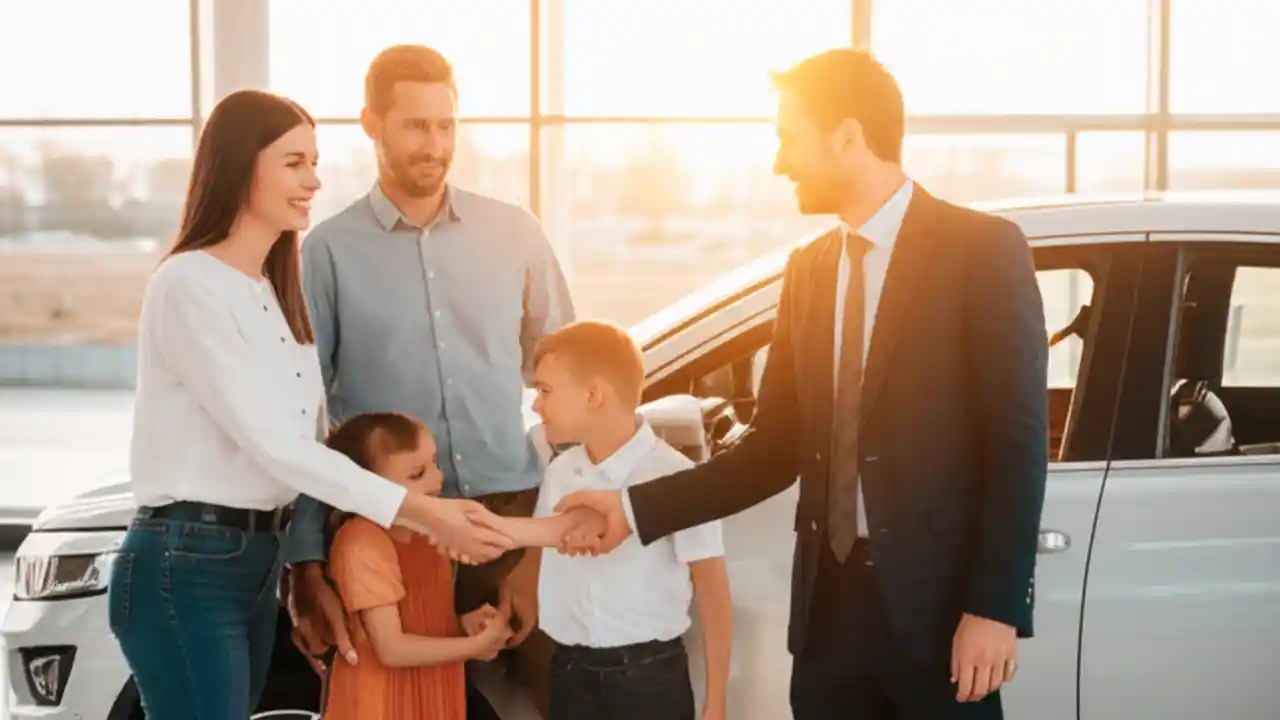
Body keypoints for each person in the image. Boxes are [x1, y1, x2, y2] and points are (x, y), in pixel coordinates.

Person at [557, 49, 1049, 719]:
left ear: (848, 136)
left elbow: (1016, 441)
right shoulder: (809, 270)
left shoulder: (982, 249)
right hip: (829, 619)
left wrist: (993, 608)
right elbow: (771, 448)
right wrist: (634, 510)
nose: (779, 162)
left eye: (790, 138)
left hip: (935, 615)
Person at [106, 89, 512, 720]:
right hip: (185, 564)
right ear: (243, 165)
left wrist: (305, 568)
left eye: (314, 162)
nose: (314, 180)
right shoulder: (187, 285)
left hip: (251, 561)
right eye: (294, 162)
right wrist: (425, 514)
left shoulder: (270, 289)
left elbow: (312, 441)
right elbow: (274, 444)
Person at [282, 44, 574, 713]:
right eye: (416, 126)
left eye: (446, 126)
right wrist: (304, 566)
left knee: (545, 703)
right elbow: (303, 419)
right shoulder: (326, 252)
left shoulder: (516, 233)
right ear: (371, 123)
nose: (434, 144)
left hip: (510, 519)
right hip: (392, 536)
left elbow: (567, 386)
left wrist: (533, 560)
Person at [526, 321, 733, 720]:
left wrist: (716, 703)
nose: (536, 406)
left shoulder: (678, 478)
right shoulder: (560, 471)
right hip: (570, 674)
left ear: (593, 395)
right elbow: (541, 548)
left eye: (545, 391)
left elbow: (713, 591)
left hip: (649, 680)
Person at [321, 412, 515, 720]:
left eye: (435, 463)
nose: (438, 479)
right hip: (384, 703)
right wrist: (473, 646)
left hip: (434, 689)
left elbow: (421, 617)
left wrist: (463, 624)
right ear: (367, 487)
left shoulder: (431, 532)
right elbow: (392, 648)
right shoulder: (361, 542)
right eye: (417, 474)